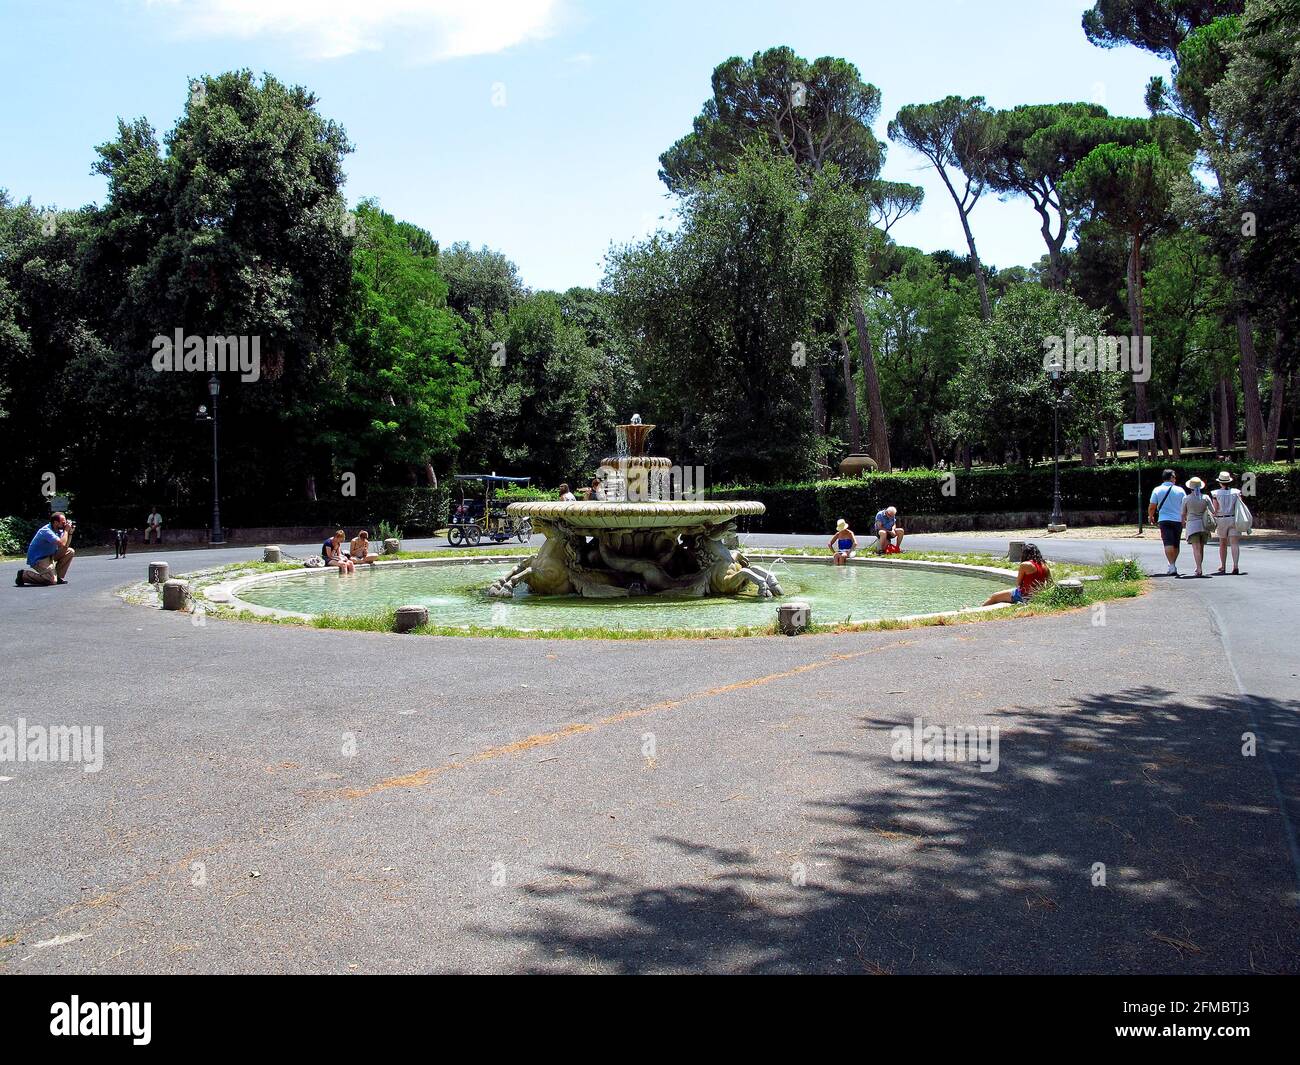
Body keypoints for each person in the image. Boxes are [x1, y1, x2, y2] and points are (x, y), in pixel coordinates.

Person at [17, 512, 76, 586]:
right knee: (51, 580)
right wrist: (66, 530)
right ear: (55, 522)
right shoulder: (46, 531)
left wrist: (70, 533)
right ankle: (24, 575)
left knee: (70, 551)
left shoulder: (59, 531)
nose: (65, 524)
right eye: (63, 522)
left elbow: (64, 547)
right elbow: (62, 543)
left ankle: (58, 577)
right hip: (39, 559)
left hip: (50, 555)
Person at [1147, 468, 1186, 576]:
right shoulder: (1180, 490)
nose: (1175, 478)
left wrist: (1151, 516)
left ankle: (1172, 565)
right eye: (1174, 476)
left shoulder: (1157, 490)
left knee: (1168, 542)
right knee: (1176, 544)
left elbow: (1152, 506)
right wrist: (1184, 518)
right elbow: (1184, 505)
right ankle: (1172, 564)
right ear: (1171, 478)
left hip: (1164, 519)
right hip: (1177, 519)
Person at [984, 543, 1050, 606]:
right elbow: (1050, 583)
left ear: (1025, 553)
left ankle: (980, 610)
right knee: (1005, 593)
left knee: (994, 597)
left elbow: (1018, 583)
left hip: (1024, 595)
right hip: (1038, 595)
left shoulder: (1025, 565)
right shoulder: (1045, 565)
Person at [1210, 470, 1245, 575]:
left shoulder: (1215, 493)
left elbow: (1215, 509)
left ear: (1220, 482)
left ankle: (1223, 566)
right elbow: (1240, 506)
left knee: (1222, 543)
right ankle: (1235, 566)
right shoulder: (1236, 492)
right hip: (1234, 518)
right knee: (1234, 543)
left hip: (1221, 519)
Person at [1181, 477, 1212, 578]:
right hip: (1204, 525)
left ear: (1190, 487)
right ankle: (1199, 566)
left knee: (1196, 548)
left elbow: (1183, 513)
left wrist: (1183, 521)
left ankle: (1199, 568)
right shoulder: (1206, 497)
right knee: (1201, 547)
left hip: (1192, 525)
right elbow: (1213, 510)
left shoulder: (1186, 498)